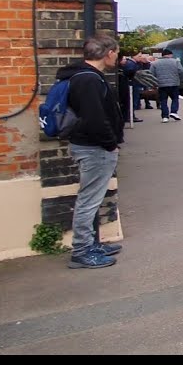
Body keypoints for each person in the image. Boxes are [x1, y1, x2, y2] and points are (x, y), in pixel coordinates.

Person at [55, 34, 124, 269]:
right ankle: (82, 251)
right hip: (94, 148)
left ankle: (91, 243)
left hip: (92, 146)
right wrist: (110, 143)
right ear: (108, 53)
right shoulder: (89, 80)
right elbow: (95, 118)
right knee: (89, 200)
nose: (118, 56)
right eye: (116, 52)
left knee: (90, 198)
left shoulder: (85, 76)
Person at [150, 48, 183, 122]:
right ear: (170, 55)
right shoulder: (175, 61)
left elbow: (151, 74)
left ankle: (165, 117)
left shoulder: (155, 63)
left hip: (161, 85)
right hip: (174, 84)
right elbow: (181, 71)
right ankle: (173, 112)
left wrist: (154, 83)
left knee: (163, 100)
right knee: (175, 99)